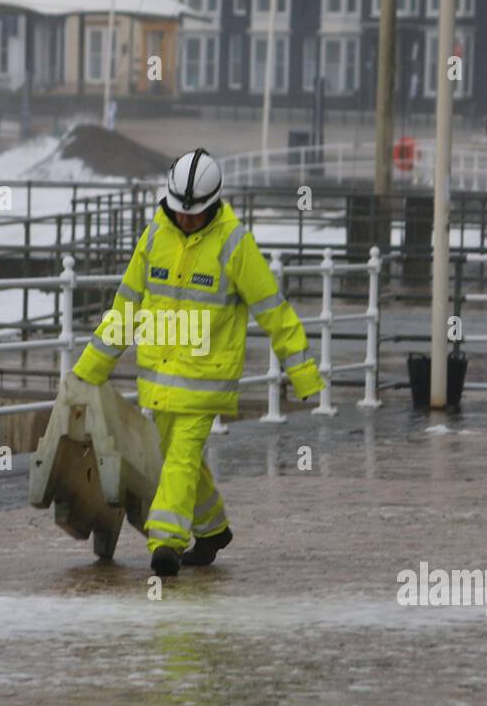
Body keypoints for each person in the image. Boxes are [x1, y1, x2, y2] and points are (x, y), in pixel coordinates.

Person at [72, 148, 324, 577]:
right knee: (175, 455)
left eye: (195, 214)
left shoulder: (234, 243)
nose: (186, 220)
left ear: (214, 205)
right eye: (180, 213)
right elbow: (126, 309)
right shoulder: (154, 238)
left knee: (182, 456)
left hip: (206, 381)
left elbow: (274, 310)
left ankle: (166, 542)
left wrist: (304, 374)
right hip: (159, 379)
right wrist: (89, 370)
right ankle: (212, 530)